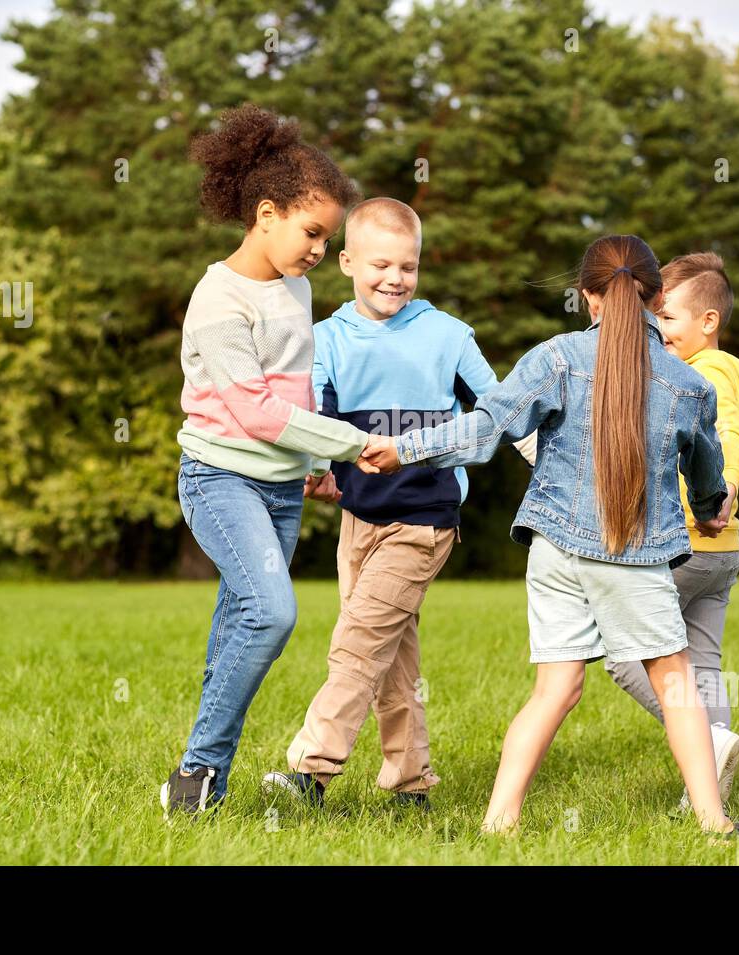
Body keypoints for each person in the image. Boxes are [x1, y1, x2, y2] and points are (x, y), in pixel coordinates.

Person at [360, 234, 739, 842]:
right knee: (676, 682)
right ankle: (715, 822)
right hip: (630, 555)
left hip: (551, 549)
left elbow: (485, 426)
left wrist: (404, 448)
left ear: (587, 297)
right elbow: (708, 478)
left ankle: (500, 820)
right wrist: (711, 510)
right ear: (657, 299)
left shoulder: (555, 358)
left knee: (555, 689)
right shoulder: (688, 385)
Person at [263, 197, 535, 811]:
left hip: (425, 518)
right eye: (381, 265)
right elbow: (316, 420)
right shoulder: (326, 339)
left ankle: (311, 771)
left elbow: (502, 415)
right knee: (391, 652)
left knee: (358, 640)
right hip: (359, 520)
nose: (395, 279)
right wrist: (318, 471)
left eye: (408, 267)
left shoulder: (448, 337)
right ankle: (410, 780)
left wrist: (549, 461)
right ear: (347, 261)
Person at [161, 104, 370, 817]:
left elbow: (292, 386)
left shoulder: (295, 287)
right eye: (312, 232)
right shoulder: (218, 299)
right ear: (267, 213)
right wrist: (351, 443)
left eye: (326, 238)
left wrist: (315, 464)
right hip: (220, 478)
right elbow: (251, 410)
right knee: (272, 613)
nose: (317, 250)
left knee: (236, 625)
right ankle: (197, 769)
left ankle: (198, 788)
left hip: (280, 485)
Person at [605, 251, 739, 812]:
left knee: (617, 648)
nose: (658, 327)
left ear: (709, 323)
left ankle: (703, 741)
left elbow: (724, 432)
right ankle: (707, 790)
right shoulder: (715, 370)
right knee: (702, 669)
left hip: (686, 540)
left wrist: (721, 489)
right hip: (720, 554)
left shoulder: (709, 373)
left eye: (668, 316)